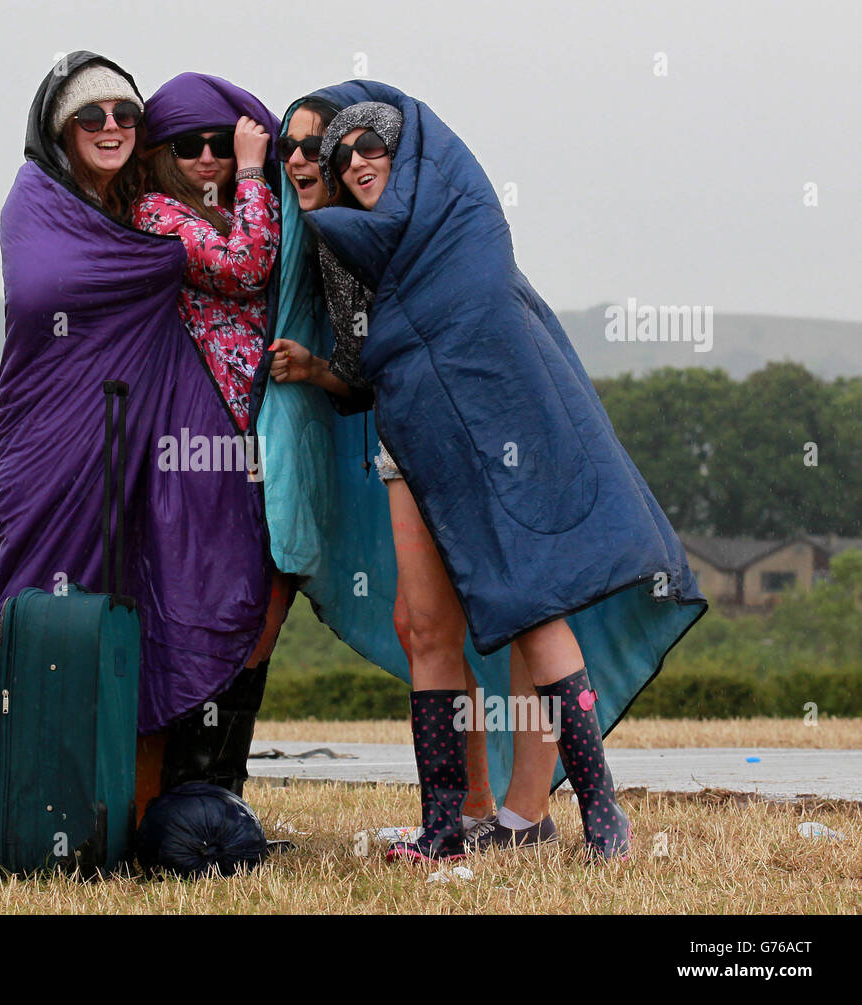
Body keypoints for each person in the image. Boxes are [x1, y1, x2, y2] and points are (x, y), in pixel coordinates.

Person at [257, 88, 707, 862]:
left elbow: (484, 319)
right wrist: (322, 369)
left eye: (368, 146)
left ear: (403, 154)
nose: (340, 160)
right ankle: (445, 827)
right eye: (315, 150)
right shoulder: (340, 247)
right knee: (424, 624)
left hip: (494, 431)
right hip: (410, 440)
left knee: (531, 603)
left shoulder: (449, 225)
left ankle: (601, 811)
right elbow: (371, 370)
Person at [0, 53, 273, 789]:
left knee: (131, 592)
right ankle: (19, 788)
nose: (110, 126)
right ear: (58, 128)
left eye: (125, 115)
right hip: (55, 429)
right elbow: (48, 290)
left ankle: (126, 797)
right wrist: (153, 260)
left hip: (135, 432)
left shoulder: (132, 200)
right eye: (90, 116)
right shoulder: (39, 201)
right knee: (46, 589)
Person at [129, 73, 288, 798]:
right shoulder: (158, 212)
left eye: (220, 146)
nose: (206, 158)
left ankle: (223, 790)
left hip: (258, 434)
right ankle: (192, 792)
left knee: (261, 599)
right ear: (160, 154)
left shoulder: (244, 208)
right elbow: (246, 267)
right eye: (187, 146)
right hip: (202, 434)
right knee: (212, 596)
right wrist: (255, 171)